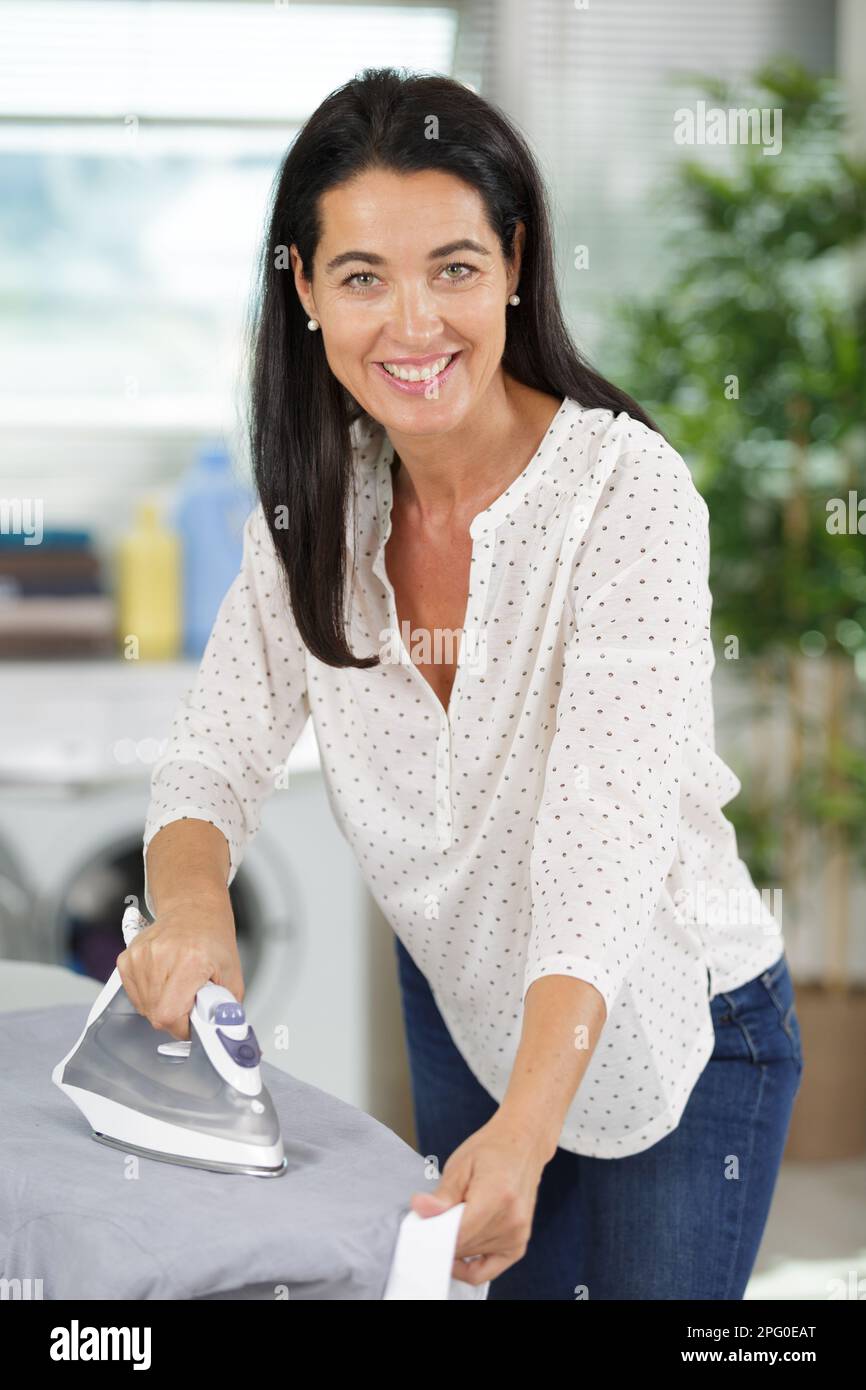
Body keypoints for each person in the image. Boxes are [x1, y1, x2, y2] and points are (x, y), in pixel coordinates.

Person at [125, 67, 803, 1300]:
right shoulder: (310, 510)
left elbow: (600, 858)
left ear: (513, 263)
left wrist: (527, 1131)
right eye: (361, 277)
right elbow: (212, 759)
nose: (413, 325)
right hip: (463, 1008)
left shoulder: (623, 499)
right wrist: (190, 906)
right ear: (304, 291)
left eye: (451, 267)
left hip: (667, 1029)